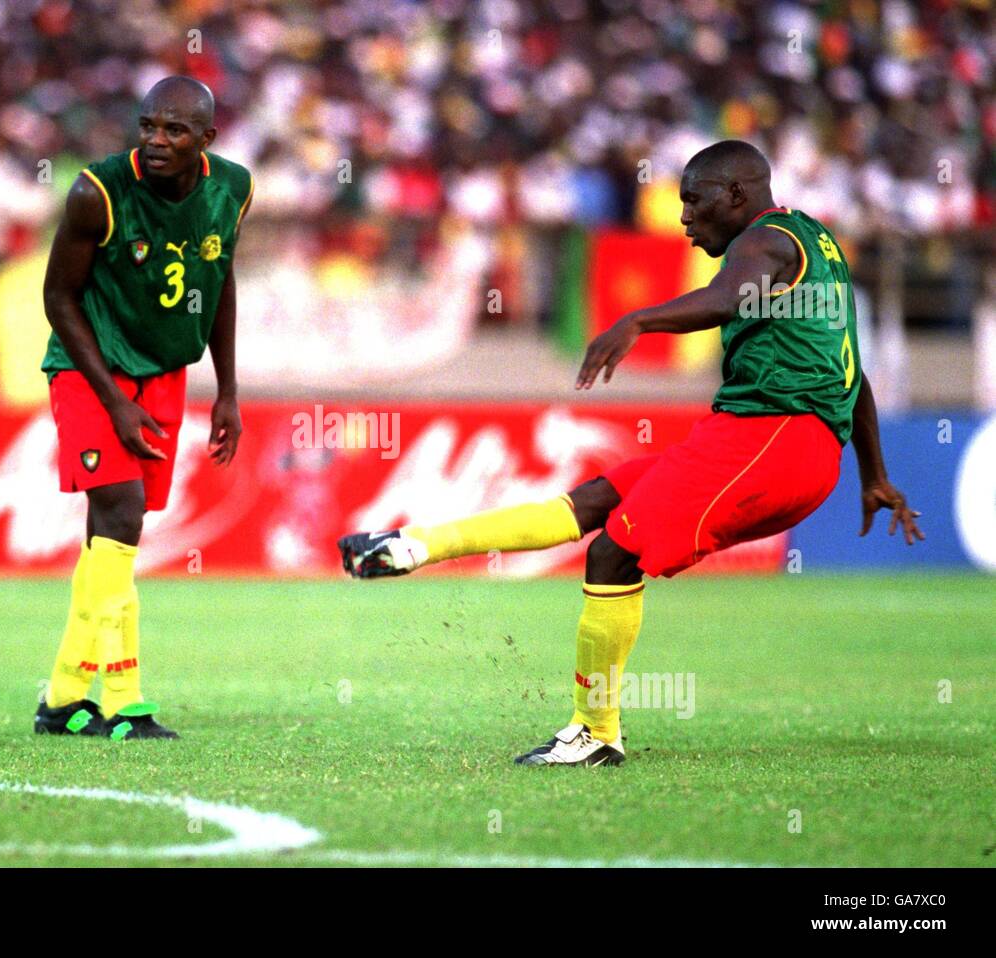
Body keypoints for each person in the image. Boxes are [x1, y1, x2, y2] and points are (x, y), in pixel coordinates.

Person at [337, 140, 922, 767]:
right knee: (595, 502)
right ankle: (412, 546)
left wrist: (636, 321)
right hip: (773, 442)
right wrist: (874, 474)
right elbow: (854, 376)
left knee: (615, 551)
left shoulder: (766, 241)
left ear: (736, 194)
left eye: (694, 202)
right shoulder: (816, 244)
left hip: (775, 440)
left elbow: (728, 299)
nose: (685, 219)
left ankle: (595, 731)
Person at [34, 76, 253, 740]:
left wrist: (229, 390)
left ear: (206, 141)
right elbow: (58, 298)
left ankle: (66, 699)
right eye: (148, 126)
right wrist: (114, 402)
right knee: (122, 513)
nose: (157, 141)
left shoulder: (233, 190)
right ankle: (126, 700)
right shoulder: (95, 193)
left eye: (174, 131)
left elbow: (219, 282)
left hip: (165, 373)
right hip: (88, 369)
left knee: (111, 533)